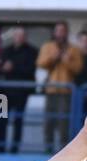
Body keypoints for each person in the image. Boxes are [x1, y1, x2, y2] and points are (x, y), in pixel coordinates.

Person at [36, 20, 83, 153]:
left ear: (66, 33)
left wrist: (66, 61)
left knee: (64, 124)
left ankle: (63, 152)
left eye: (63, 31)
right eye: (58, 31)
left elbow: (78, 69)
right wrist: (54, 57)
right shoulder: (48, 47)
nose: (60, 33)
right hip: (51, 90)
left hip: (66, 91)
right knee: (48, 122)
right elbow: (40, 63)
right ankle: (48, 150)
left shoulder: (73, 49)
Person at [0, 26, 38, 152]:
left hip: (21, 92)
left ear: (25, 37)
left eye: (21, 35)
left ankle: (14, 149)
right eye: (17, 35)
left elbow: (30, 70)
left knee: (18, 121)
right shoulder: (6, 50)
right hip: (4, 92)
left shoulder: (31, 51)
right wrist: (3, 67)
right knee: (0, 120)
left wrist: (13, 67)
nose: (19, 38)